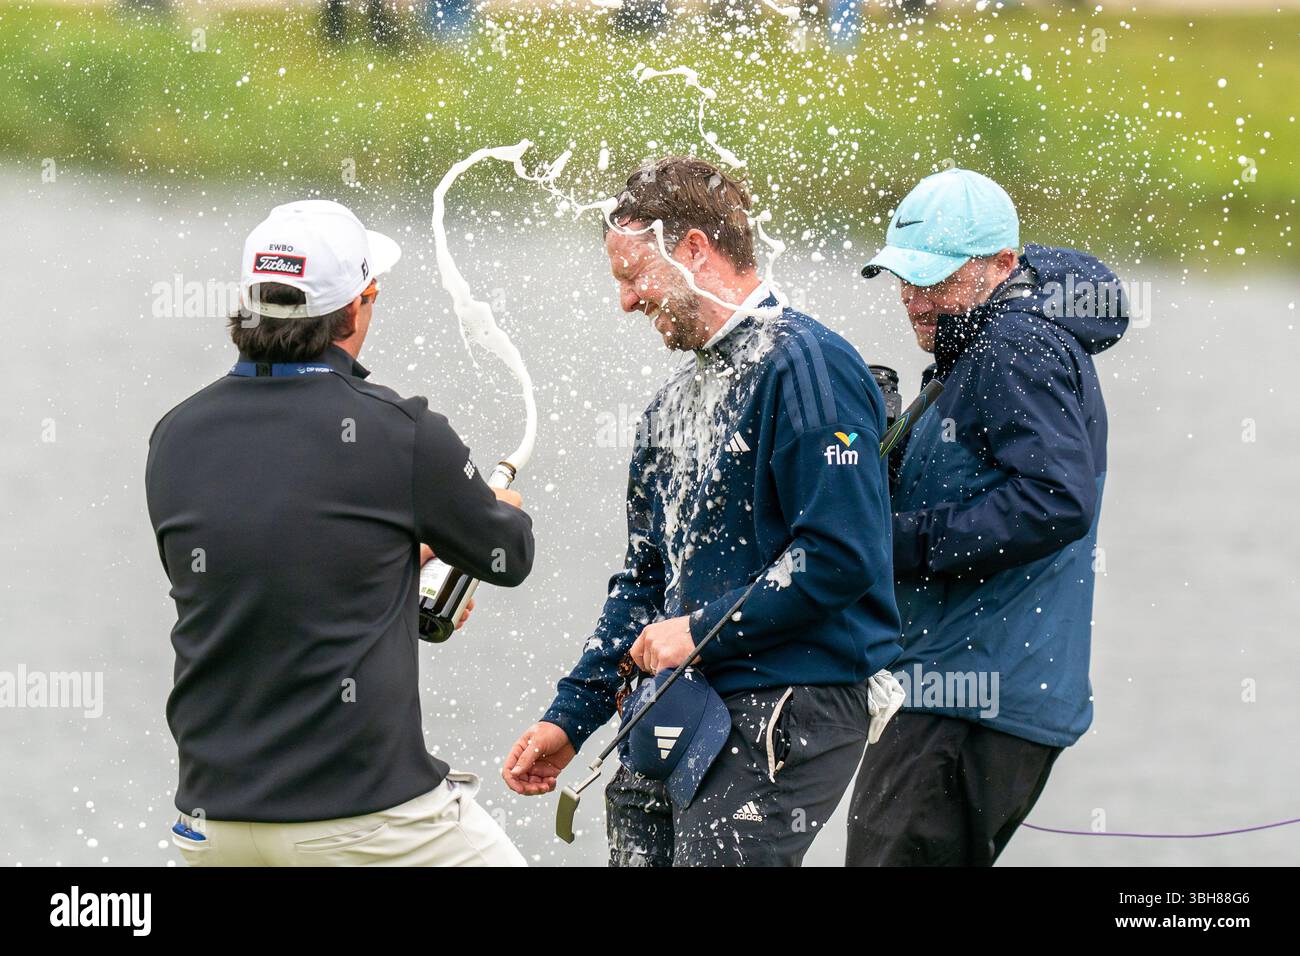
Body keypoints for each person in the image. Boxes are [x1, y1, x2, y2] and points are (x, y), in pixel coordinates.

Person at [502, 156, 903, 866]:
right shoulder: (669, 407)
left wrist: (697, 631)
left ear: (693, 249)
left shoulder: (810, 365)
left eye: (632, 277)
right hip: (680, 704)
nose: (625, 302)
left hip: (791, 701)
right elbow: (640, 588)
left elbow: (841, 558)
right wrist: (571, 716)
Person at [146, 199, 535, 866]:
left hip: (211, 825)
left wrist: (390, 564)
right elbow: (508, 555)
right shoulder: (401, 433)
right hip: (365, 821)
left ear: (253, 304)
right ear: (357, 307)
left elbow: (259, 574)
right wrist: (500, 507)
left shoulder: (174, 435)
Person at [846, 168, 1129, 865]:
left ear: (1003, 265)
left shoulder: (1012, 346)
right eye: (904, 279)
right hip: (984, 695)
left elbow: (1056, 501)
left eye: (935, 280)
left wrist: (892, 543)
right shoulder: (993, 332)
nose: (914, 301)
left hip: (967, 702)